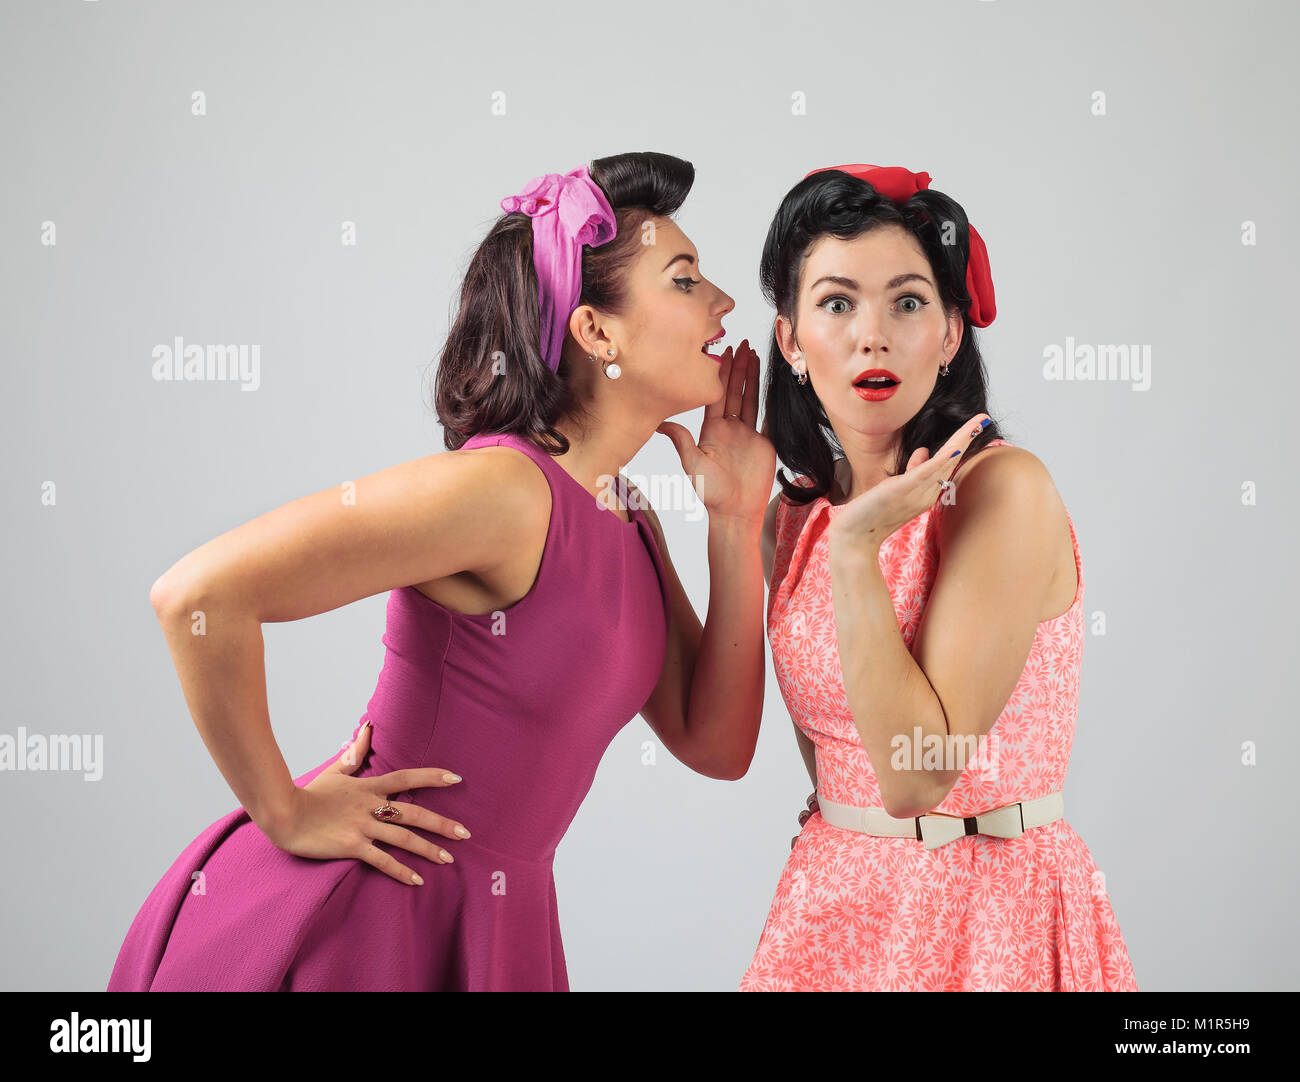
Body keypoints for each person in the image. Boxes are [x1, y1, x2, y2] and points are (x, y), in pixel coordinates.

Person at [106, 151, 775, 991]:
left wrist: (735, 521)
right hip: (369, 915)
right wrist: (284, 809)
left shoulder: (625, 512)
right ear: (597, 332)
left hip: (498, 916)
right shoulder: (504, 490)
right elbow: (198, 595)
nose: (721, 303)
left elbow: (715, 743)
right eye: (685, 281)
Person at [739, 164, 1138, 991]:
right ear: (791, 341)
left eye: (909, 302)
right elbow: (833, 753)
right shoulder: (796, 520)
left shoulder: (1003, 491)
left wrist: (857, 556)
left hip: (993, 914)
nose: (872, 335)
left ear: (951, 334)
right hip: (834, 912)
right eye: (837, 302)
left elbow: (918, 775)